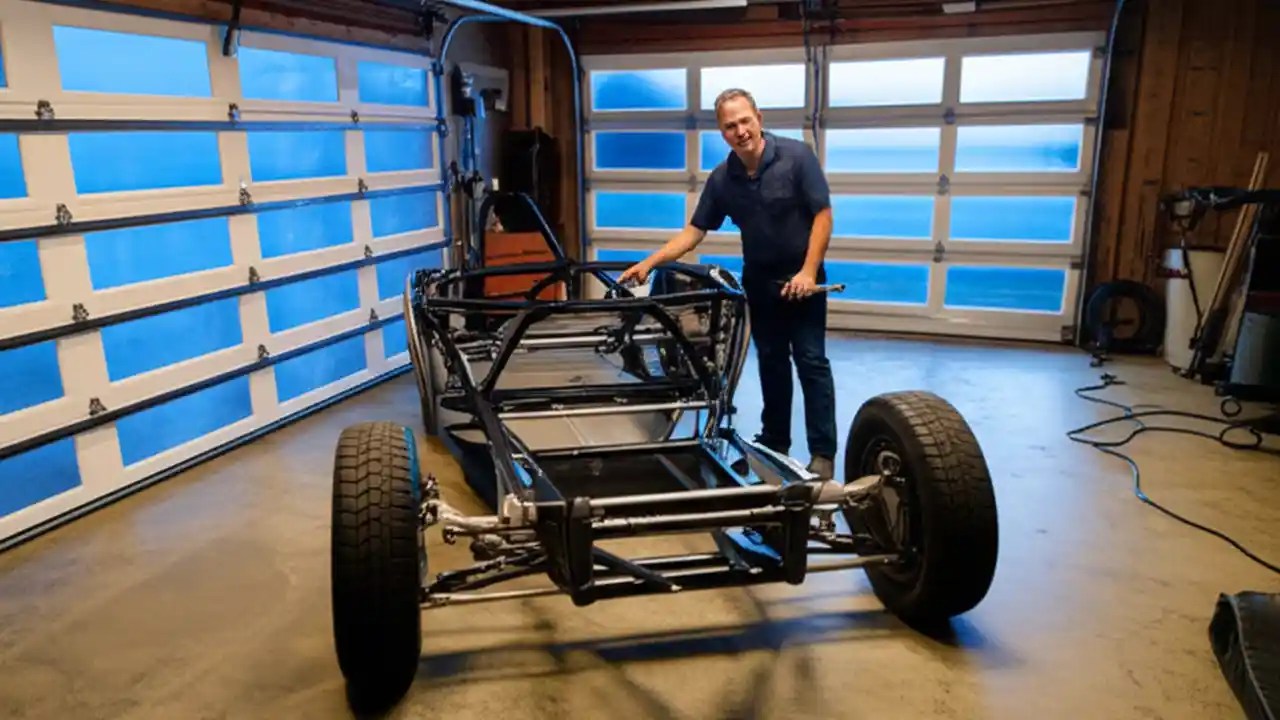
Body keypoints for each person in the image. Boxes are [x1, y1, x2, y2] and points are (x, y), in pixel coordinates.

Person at [618, 88, 837, 479]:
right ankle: (775, 443)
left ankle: (823, 452)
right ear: (722, 133)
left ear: (759, 118)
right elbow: (694, 231)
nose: (740, 131)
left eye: (745, 121)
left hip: (804, 279)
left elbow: (822, 215)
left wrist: (808, 271)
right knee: (771, 363)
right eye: (730, 126)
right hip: (761, 283)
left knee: (810, 362)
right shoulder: (723, 179)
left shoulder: (797, 158)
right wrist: (649, 263)